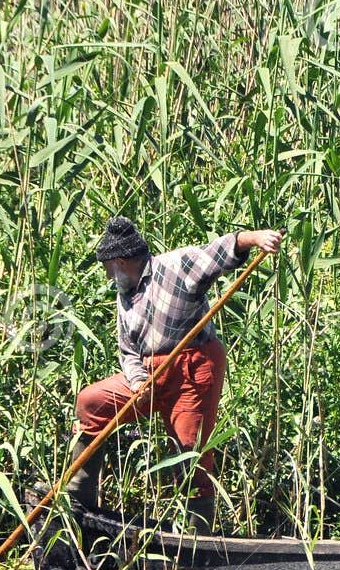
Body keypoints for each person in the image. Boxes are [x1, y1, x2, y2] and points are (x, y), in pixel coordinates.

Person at [65, 216, 282, 527]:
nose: (107, 276)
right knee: (91, 402)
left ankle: (198, 540)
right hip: (150, 374)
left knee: (190, 451)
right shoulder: (125, 291)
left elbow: (222, 249)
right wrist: (140, 381)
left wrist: (258, 237)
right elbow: (127, 350)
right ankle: (80, 506)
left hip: (193, 366)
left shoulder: (176, 265)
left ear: (121, 261)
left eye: (107, 267)